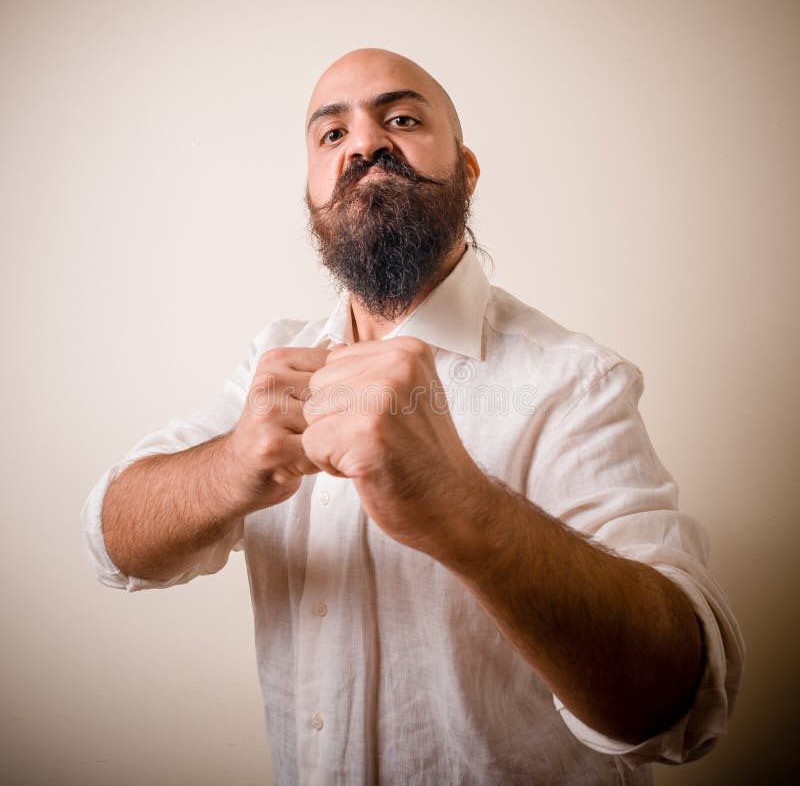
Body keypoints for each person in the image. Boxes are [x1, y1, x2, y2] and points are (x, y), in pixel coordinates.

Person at [82, 48, 744, 785]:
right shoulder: (273, 360)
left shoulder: (576, 383)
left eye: (401, 118)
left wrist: (465, 510)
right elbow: (111, 543)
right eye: (332, 135)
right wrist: (233, 466)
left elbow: (678, 708)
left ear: (467, 170)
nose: (364, 144)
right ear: (311, 195)